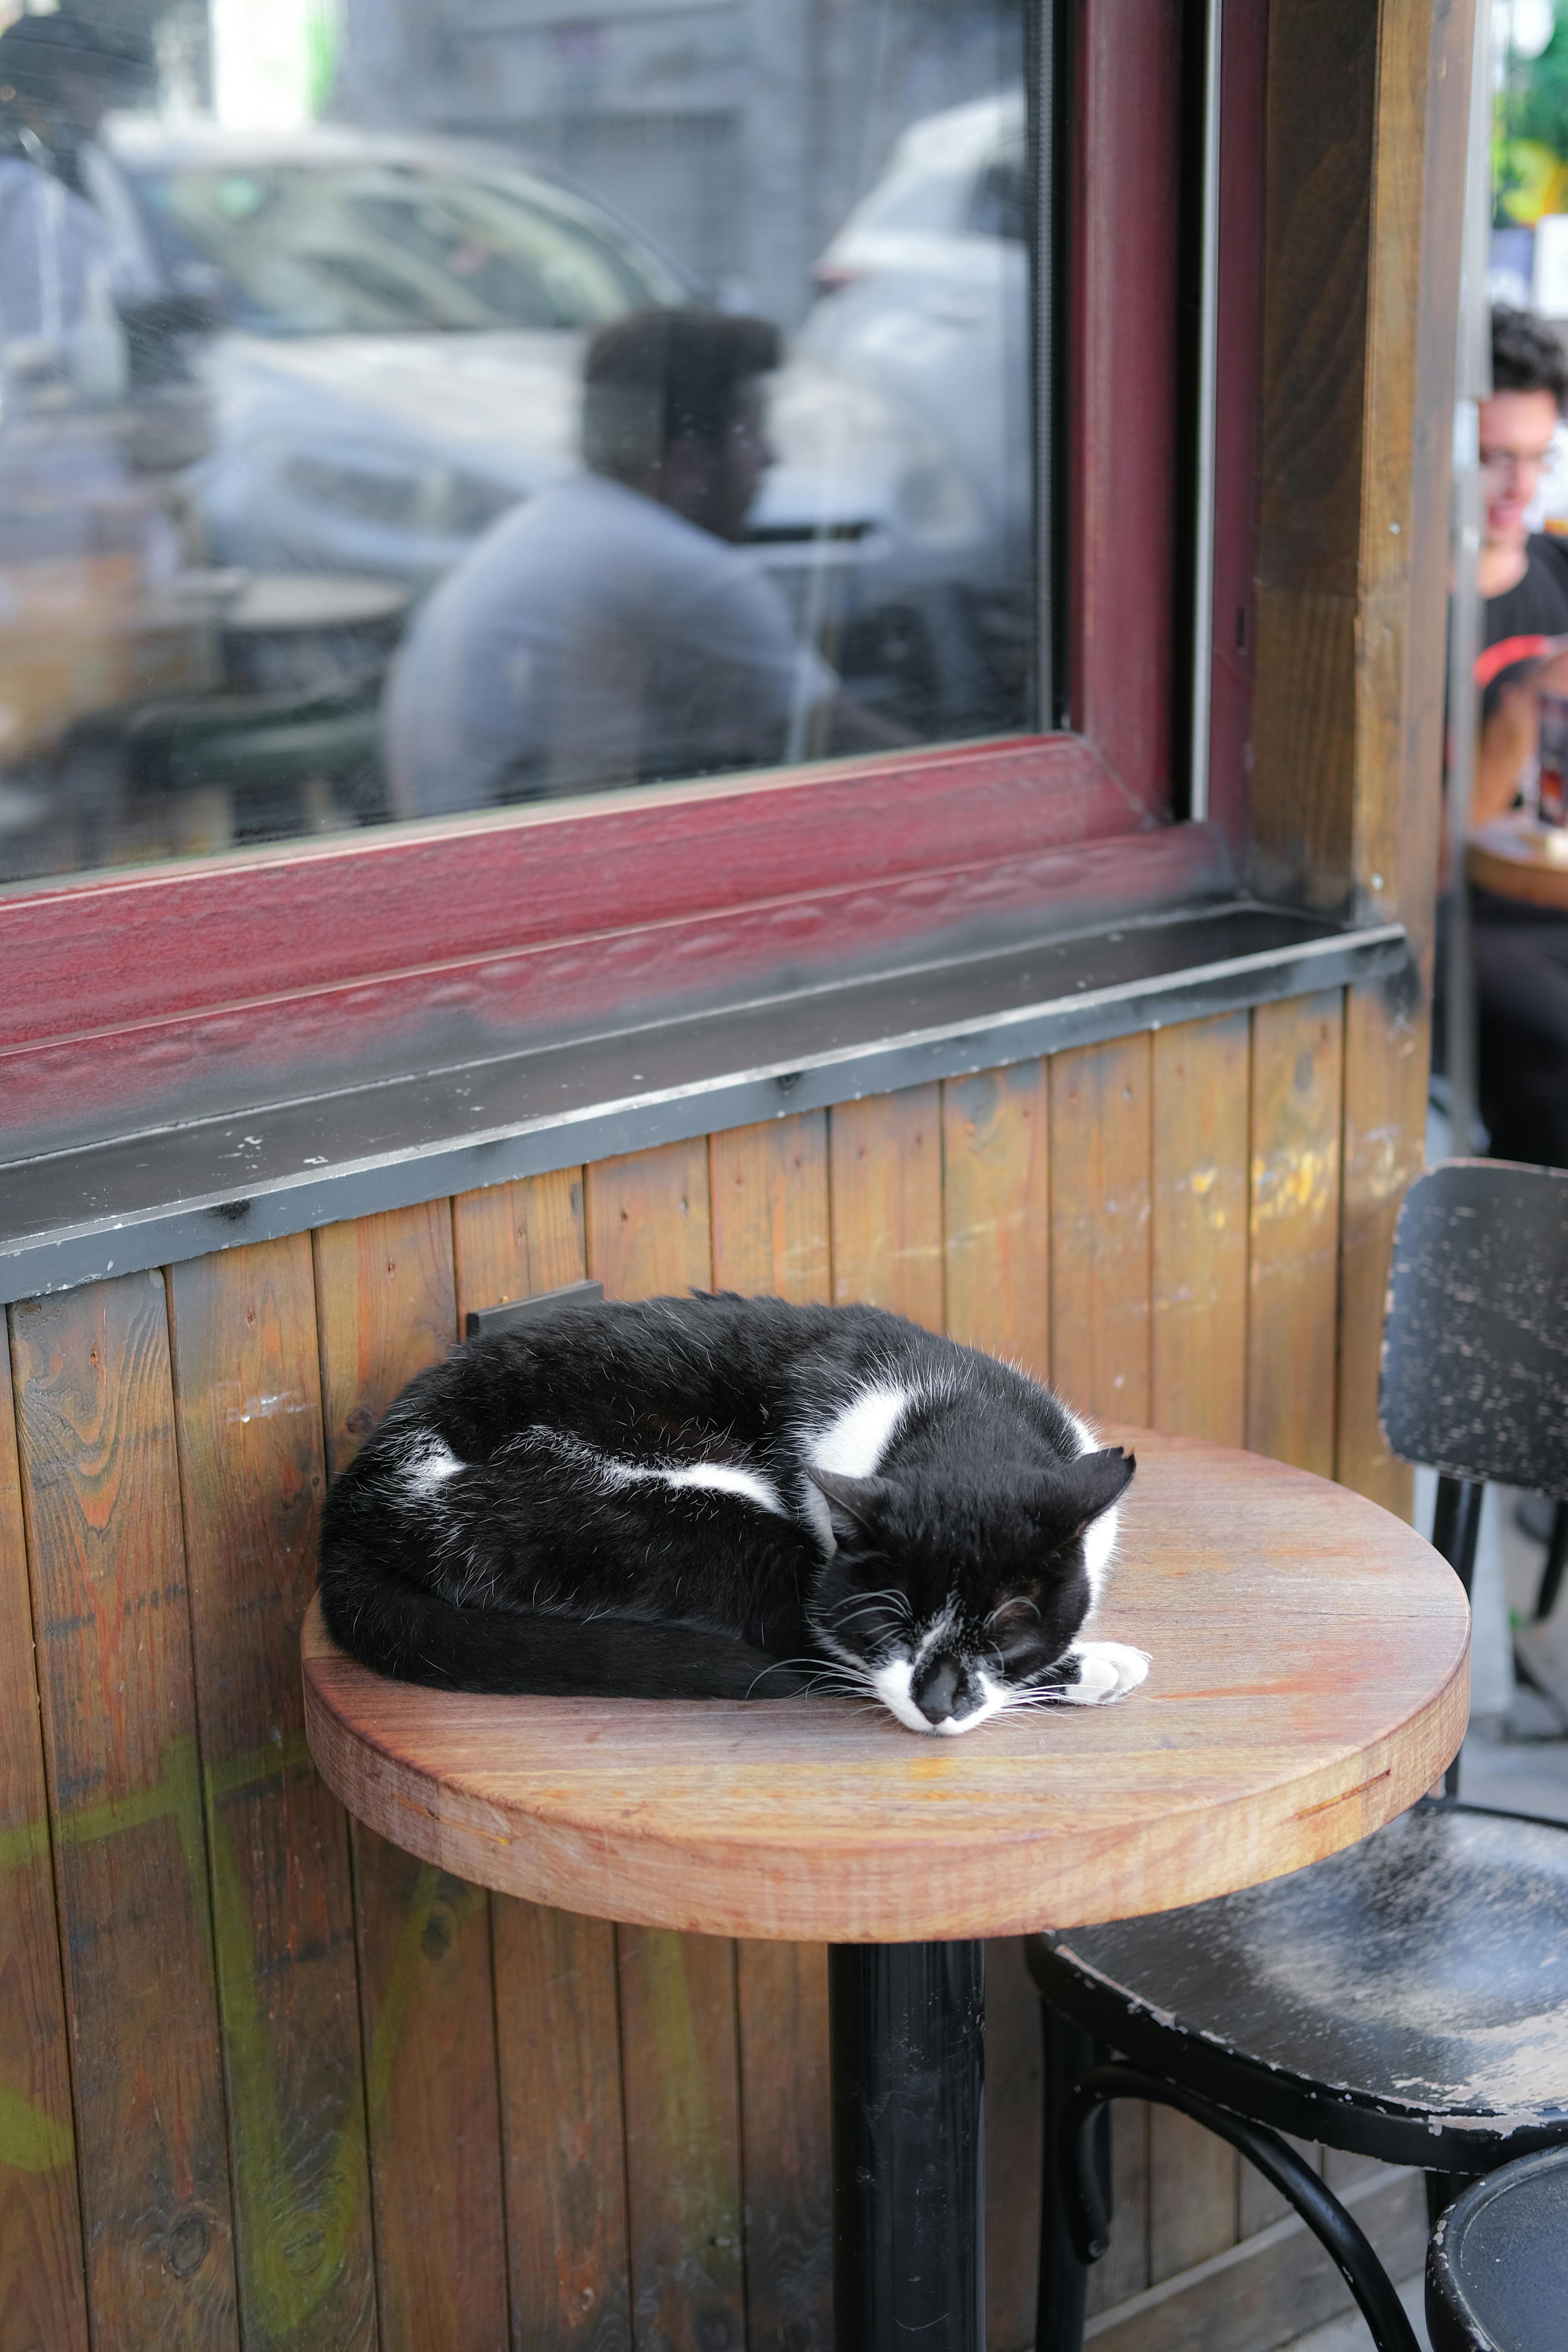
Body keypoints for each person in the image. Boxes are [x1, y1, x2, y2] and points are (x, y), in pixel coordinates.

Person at [384, 307, 909, 814]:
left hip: (479, 840)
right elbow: (857, 748)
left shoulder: (564, 518)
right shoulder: (684, 569)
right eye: (753, 432)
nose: (772, 458)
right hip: (523, 860)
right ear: (689, 462)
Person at [1467, 306, 1568, 1168]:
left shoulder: (1559, 570)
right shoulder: (1403, 599)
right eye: (1494, 455)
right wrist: (1519, 710)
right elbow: (1425, 856)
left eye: (1538, 457)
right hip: (1467, 917)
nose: (1520, 486)